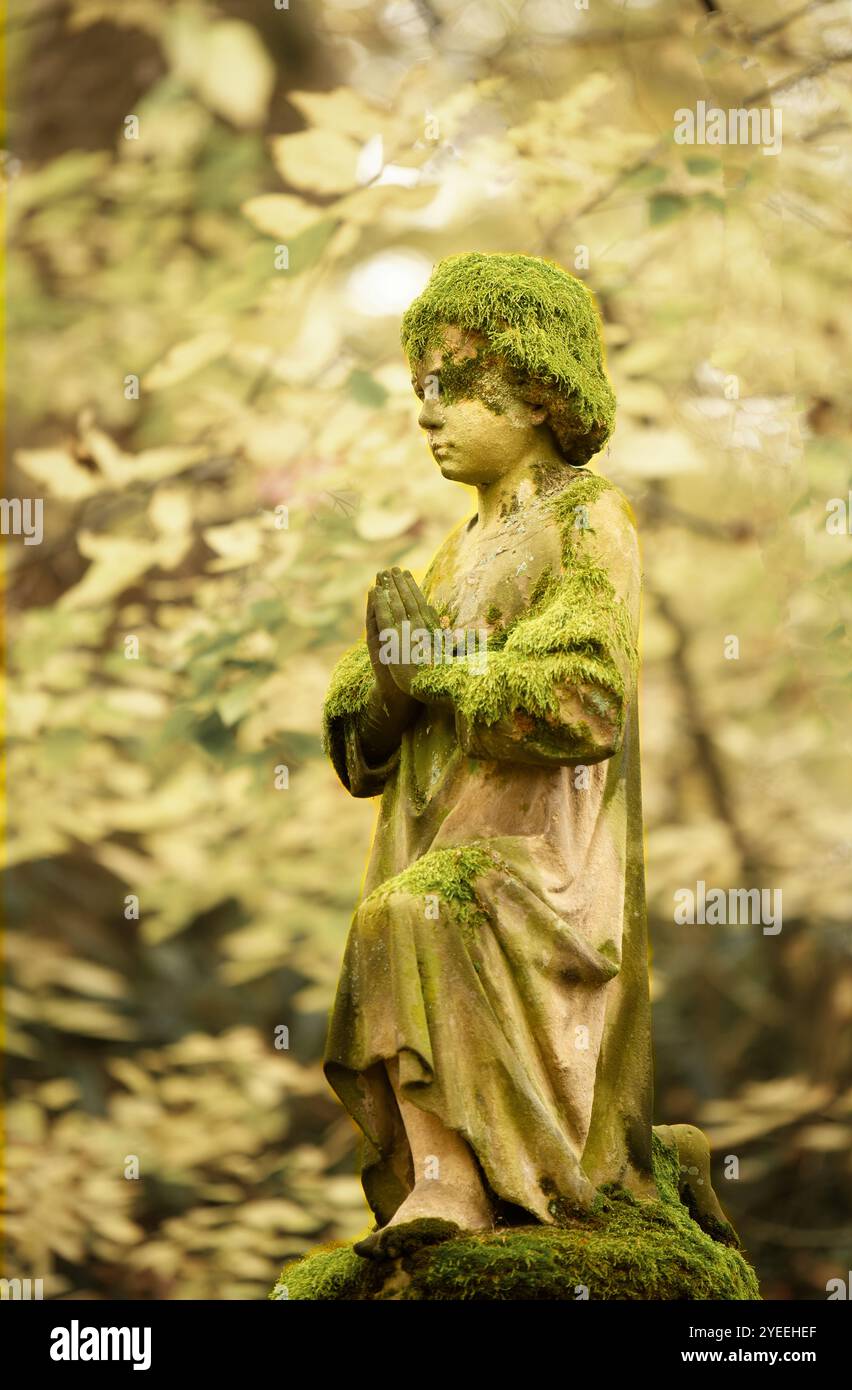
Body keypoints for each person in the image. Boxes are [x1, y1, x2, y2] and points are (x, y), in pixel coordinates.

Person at [322, 252, 656, 1261]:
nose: (425, 414)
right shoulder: (451, 551)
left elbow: (584, 695)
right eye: (417, 389)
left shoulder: (583, 519)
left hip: (542, 874)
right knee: (396, 915)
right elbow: (359, 733)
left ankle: (464, 1181)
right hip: (445, 852)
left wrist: (441, 675)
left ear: (539, 387)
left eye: (452, 385)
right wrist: (384, 687)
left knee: (410, 909)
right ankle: (438, 1178)